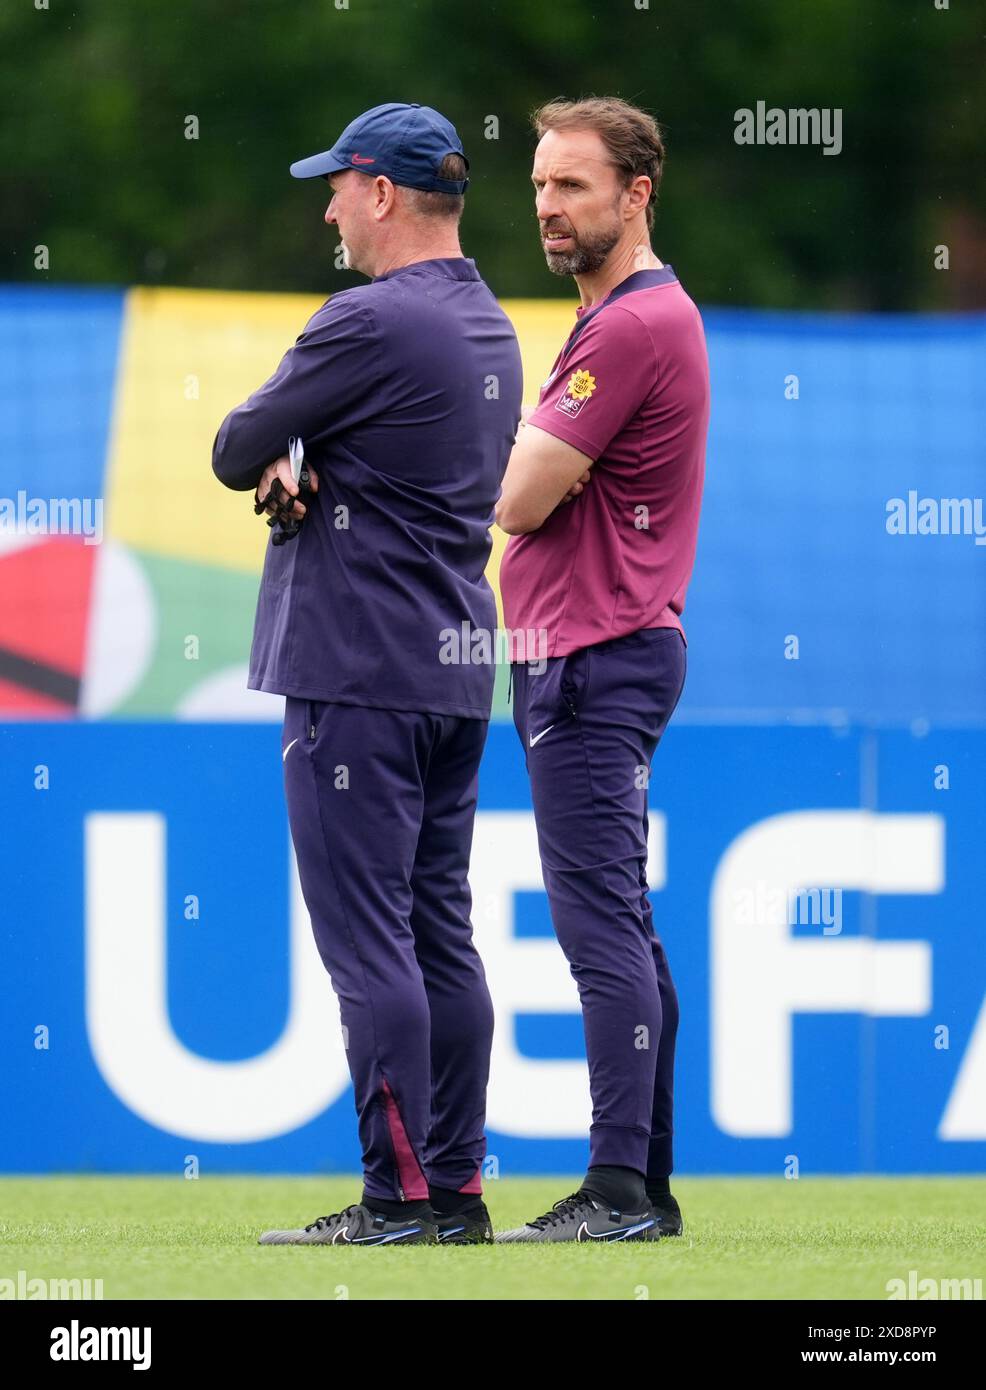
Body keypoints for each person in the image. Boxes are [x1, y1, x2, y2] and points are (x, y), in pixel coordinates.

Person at [212, 103, 523, 1246]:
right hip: (450, 670)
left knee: (370, 945)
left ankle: (393, 1200)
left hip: (353, 669)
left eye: (336, 186)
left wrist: (292, 457)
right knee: (440, 931)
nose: (327, 207)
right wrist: (317, 460)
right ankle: (455, 1193)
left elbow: (234, 446)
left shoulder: (365, 317)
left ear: (381, 192)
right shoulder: (489, 323)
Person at [495, 97, 709, 1243]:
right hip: (601, 648)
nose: (546, 205)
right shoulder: (633, 320)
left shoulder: (627, 326)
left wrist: (525, 459)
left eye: (572, 185)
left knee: (598, 930)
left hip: (590, 653)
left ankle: (618, 1188)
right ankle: (644, 1185)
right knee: (620, 922)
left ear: (635, 194)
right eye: (539, 184)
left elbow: (520, 496)